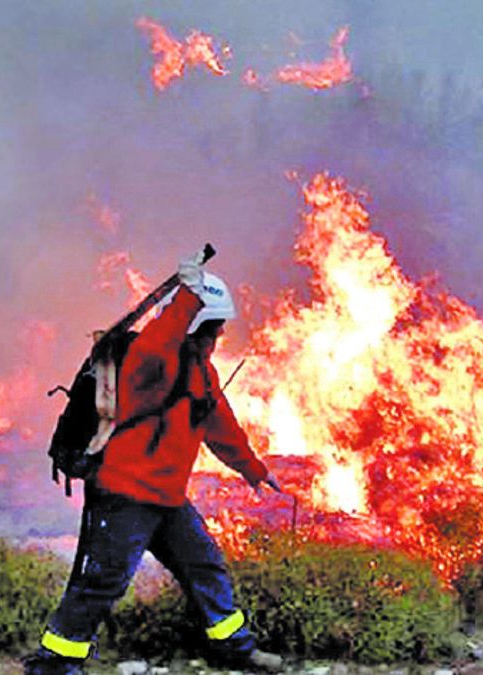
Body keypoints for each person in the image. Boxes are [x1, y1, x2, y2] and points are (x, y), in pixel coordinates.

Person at [24, 251, 286, 674]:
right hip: (123, 495)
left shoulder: (203, 372)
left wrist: (253, 469)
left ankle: (234, 650)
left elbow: (220, 426)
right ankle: (54, 663)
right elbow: (159, 340)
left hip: (167, 499)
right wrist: (189, 297)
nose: (219, 337)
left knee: (205, 566)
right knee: (102, 583)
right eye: (214, 329)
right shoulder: (149, 363)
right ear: (195, 328)